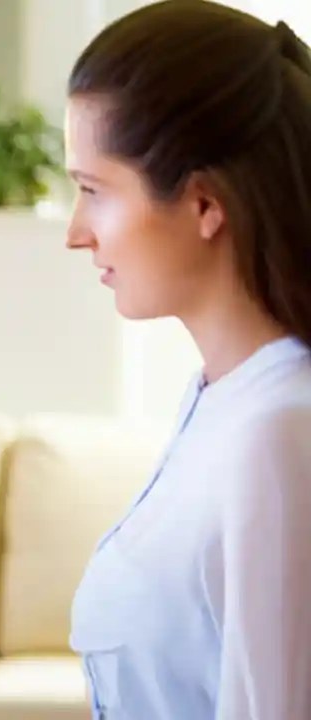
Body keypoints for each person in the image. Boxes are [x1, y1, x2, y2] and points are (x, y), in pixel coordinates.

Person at [64, 1, 311, 718]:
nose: (76, 232)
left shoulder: (278, 431)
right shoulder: (221, 399)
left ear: (204, 203)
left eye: (93, 191)